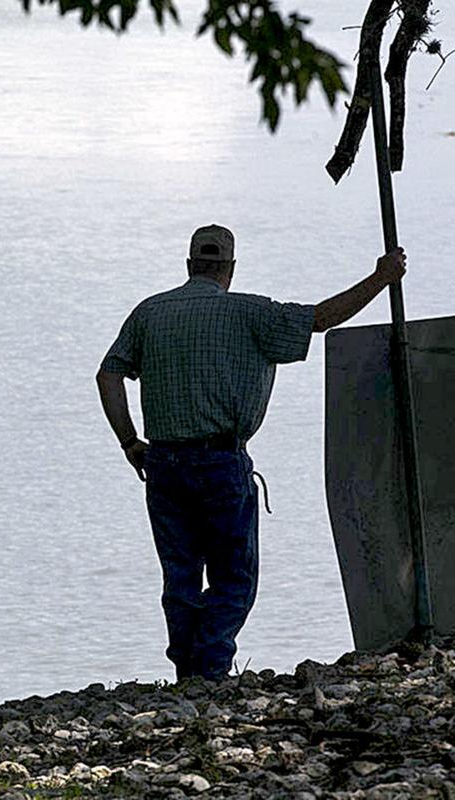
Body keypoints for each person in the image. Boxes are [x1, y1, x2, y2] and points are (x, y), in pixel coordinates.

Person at [95, 224, 407, 682]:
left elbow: (108, 374)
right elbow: (322, 319)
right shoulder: (253, 313)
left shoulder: (150, 312)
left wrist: (129, 442)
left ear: (190, 265)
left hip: (163, 463)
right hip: (222, 462)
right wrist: (381, 278)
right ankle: (210, 670)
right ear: (231, 268)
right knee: (234, 577)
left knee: (180, 575)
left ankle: (188, 672)